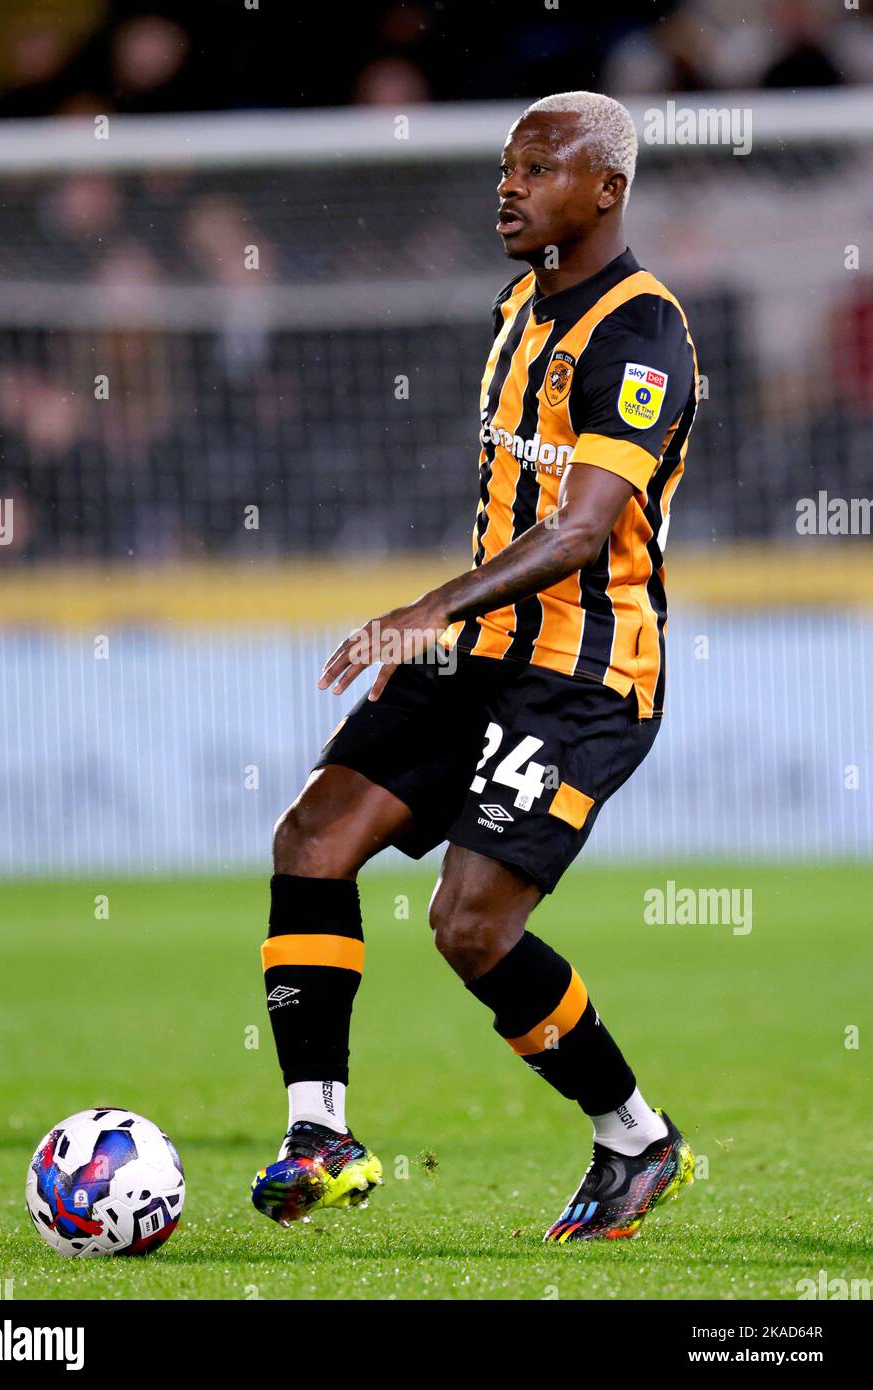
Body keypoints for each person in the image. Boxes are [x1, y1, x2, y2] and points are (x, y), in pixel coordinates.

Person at [252, 91, 699, 1243]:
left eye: (539, 168)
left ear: (606, 189)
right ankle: (318, 1134)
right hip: (479, 654)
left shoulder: (641, 332)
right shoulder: (516, 306)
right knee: (311, 837)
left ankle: (634, 1134)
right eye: (506, 166)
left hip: (582, 674)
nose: (509, 187)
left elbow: (580, 531)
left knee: (470, 927)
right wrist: (448, 622)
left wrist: (425, 605)